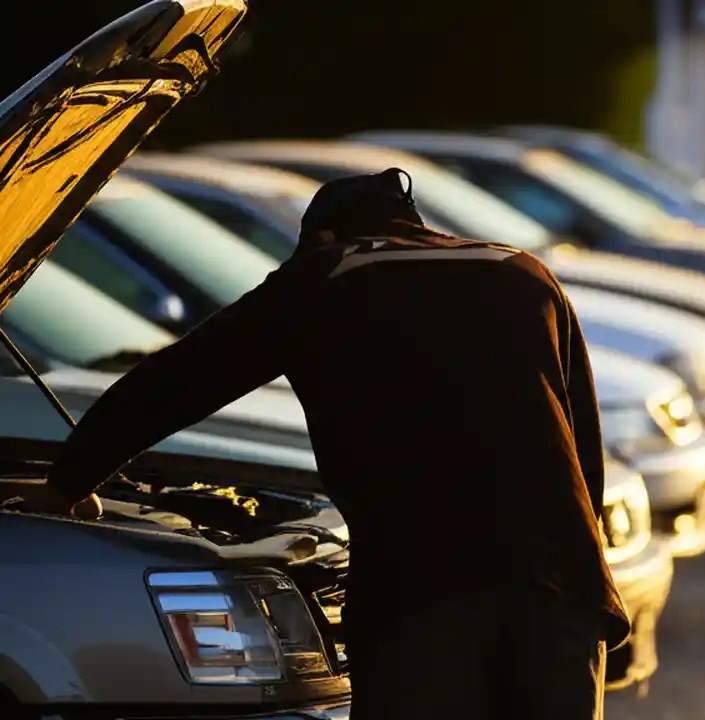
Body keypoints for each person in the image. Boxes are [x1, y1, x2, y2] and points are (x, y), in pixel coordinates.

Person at [19, 168, 630, 719]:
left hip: (423, 589)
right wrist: (595, 583)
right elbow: (582, 450)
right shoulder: (523, 272)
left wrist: (69, 482)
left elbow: (178, 382)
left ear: (323, 236)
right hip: (563, 593)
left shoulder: (327, 275)